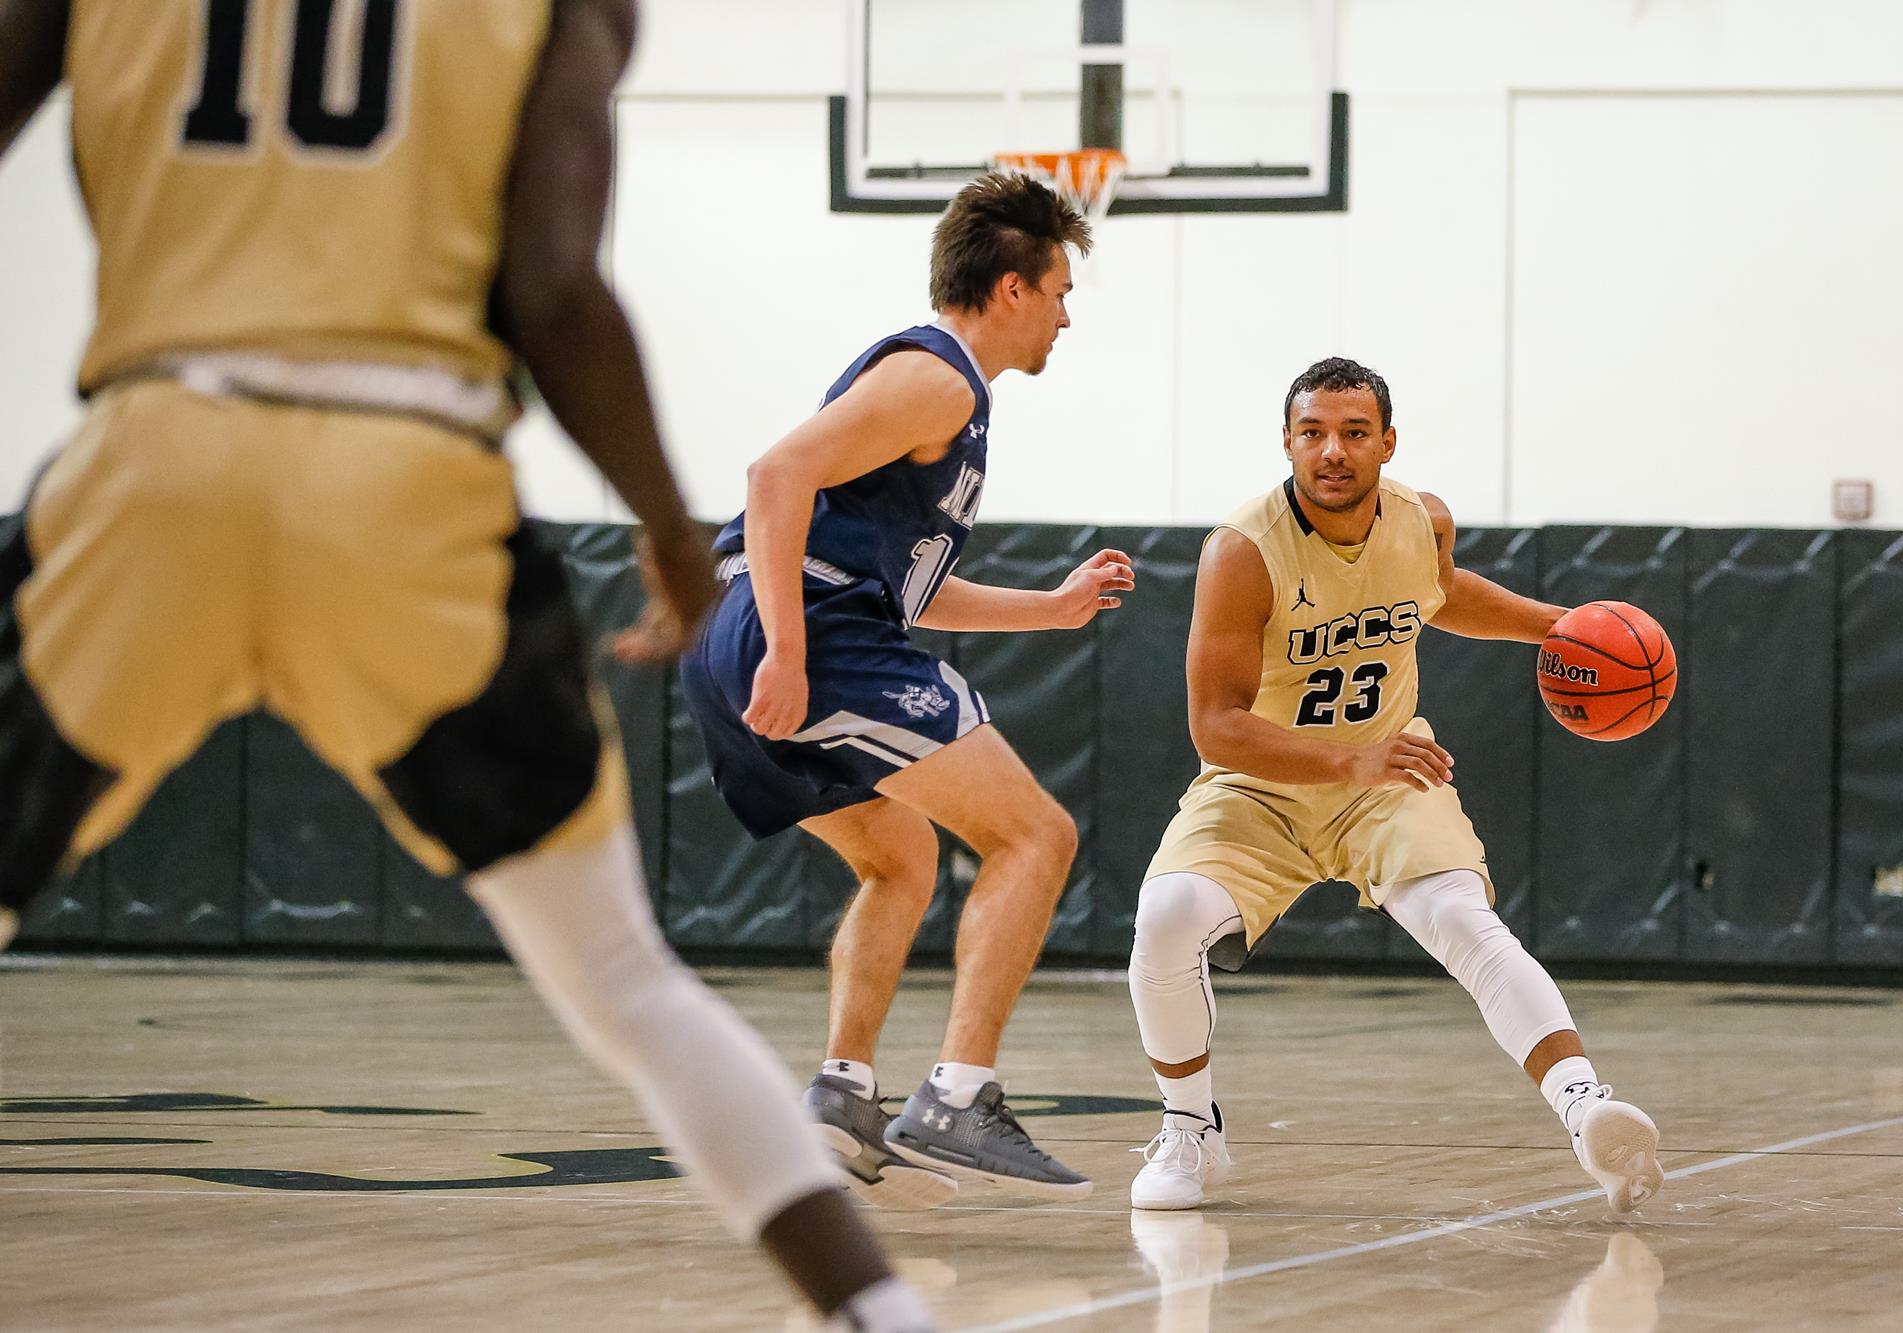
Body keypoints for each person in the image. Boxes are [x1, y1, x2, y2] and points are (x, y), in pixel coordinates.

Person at [0, 1, 930, 1326]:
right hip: (406, 479)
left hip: (152, 462)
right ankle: (882, 1316)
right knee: (622, 981)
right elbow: (549, 284)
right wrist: (668, 527)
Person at [680, 171, 1132, 1206]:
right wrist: (788, 653)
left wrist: (1050, 607)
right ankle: (957, 1096)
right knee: (1036, 836)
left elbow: (913, 592)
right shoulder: (938, 378)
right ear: (1011, 287)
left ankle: (841, 1092)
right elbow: (771, 479)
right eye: (1059, 289)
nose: (1066, 314)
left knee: (898, 857)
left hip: (757, 628)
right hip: (794, 628)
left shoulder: (942, 400)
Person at [1124, 356, 1665, 1215]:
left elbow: (1439, 594)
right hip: (1262, 781)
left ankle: (1585, 1107)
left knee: (1460, 914)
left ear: (1387, 442)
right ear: (1289, 442)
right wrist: (1345, 759)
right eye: (1313, 433)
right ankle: (1190, 1129)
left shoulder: (1425, 520)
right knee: (1165, 919)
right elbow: (1214, 725)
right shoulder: (1242, 550)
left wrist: (1555, 628)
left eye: (1352, 432)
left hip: (1388, 772)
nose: (1332, 450)